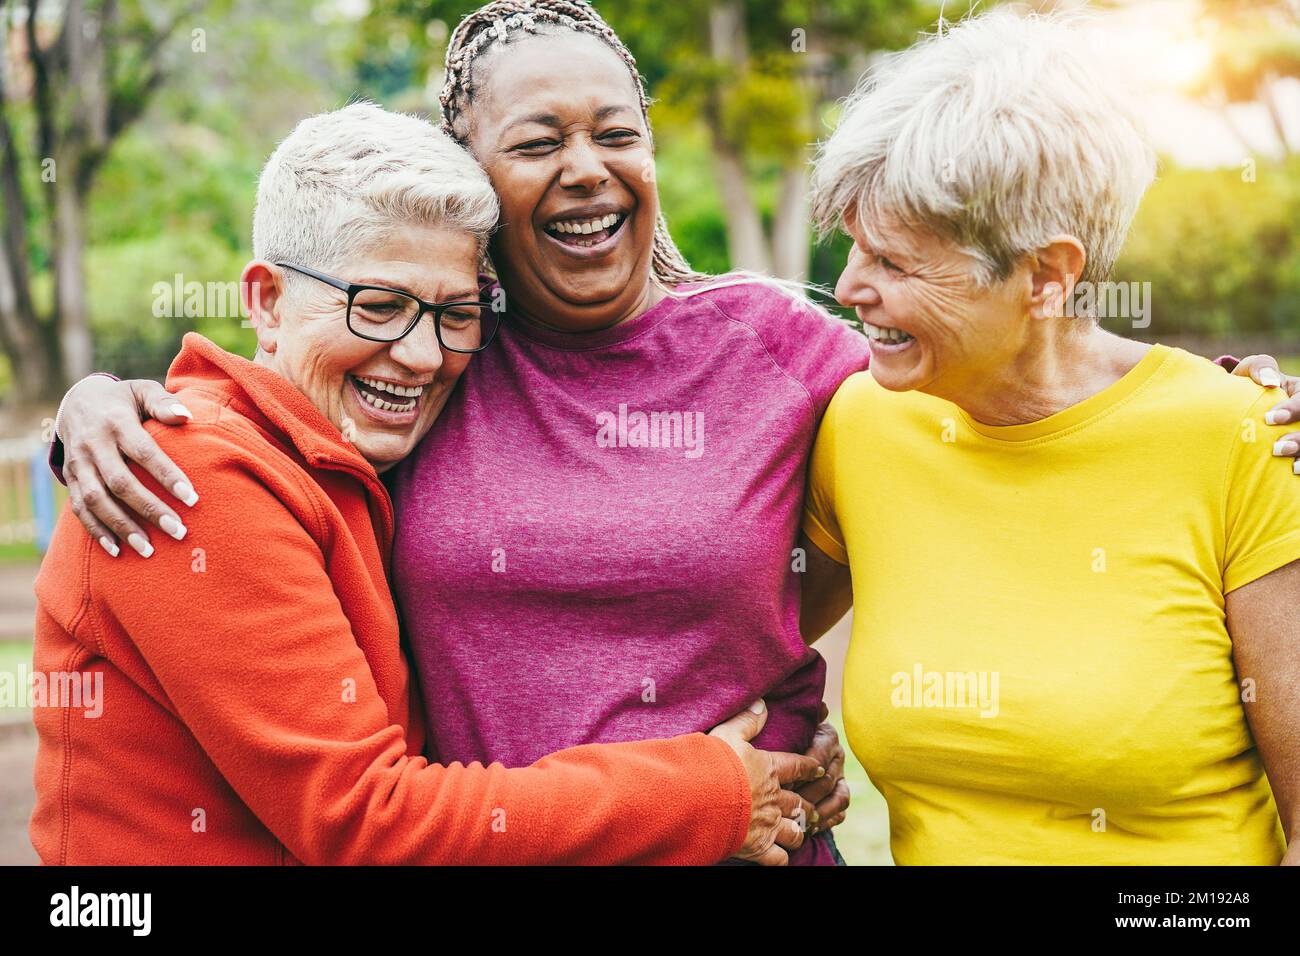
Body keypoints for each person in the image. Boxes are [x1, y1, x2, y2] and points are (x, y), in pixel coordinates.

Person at [31, 103, 821, 866]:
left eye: (455, 314)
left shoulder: (362, 454)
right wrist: (707, 794)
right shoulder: (193, 476)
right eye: (378, 307)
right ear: (266, 301)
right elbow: (364, 820)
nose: (420, 355)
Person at [799, 11, 1300, 864]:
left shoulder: (1244, 439)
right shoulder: (861, 424)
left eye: (895, 262)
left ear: (1046, 277)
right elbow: (726, 645)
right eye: (854, 247)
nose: (848, 286)